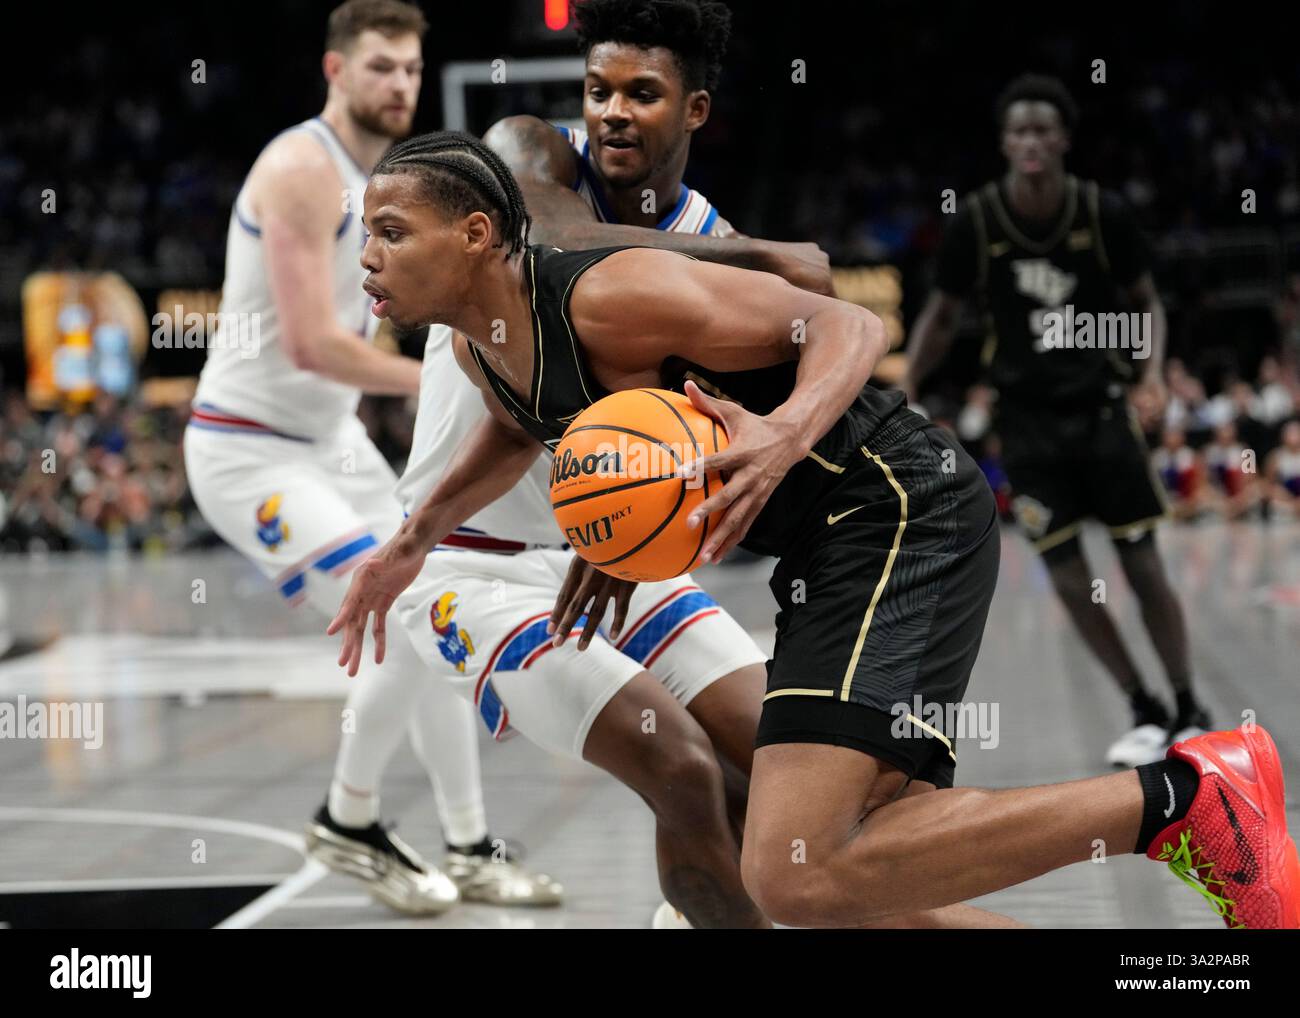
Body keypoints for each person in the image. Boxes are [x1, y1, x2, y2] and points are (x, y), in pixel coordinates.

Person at [329, 130, 1299, 929]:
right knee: (856, 860)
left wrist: (784, 432)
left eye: (387, 231)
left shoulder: (605, 290)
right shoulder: (482, 341)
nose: (364, 255)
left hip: (892, 507)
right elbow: (518, 420)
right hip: (837, 540)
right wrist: (418, 543)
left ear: (473, 233)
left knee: (795, 871)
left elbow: (846, 329)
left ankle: (1186, 797)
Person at [183, 0, 557, 914]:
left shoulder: (386, 175)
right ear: (335, 71)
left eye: (411, 69)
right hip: (248, 449)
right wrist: (457, 377)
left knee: (425, 604)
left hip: (328, 441)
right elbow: (312, 344)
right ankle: (351, 817)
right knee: (409, 609)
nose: (400, 84)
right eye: (381, 66)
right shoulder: (302, 168)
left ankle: (465, 845)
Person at [901, 74, 1211, 768]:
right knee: (1070, 579)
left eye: (1045, 129)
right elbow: (943, 313)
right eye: (1020, 131)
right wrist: (910, 383)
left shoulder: (1101, 213)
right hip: (1028, 424)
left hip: (1102, 413)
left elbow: (1147, 301)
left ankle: (1190, 704)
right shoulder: (978, 222)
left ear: (1064, 139)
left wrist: (1153, 372)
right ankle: (1143, 706)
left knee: (1142, 565)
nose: (1033, 141)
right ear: (1005, 143)